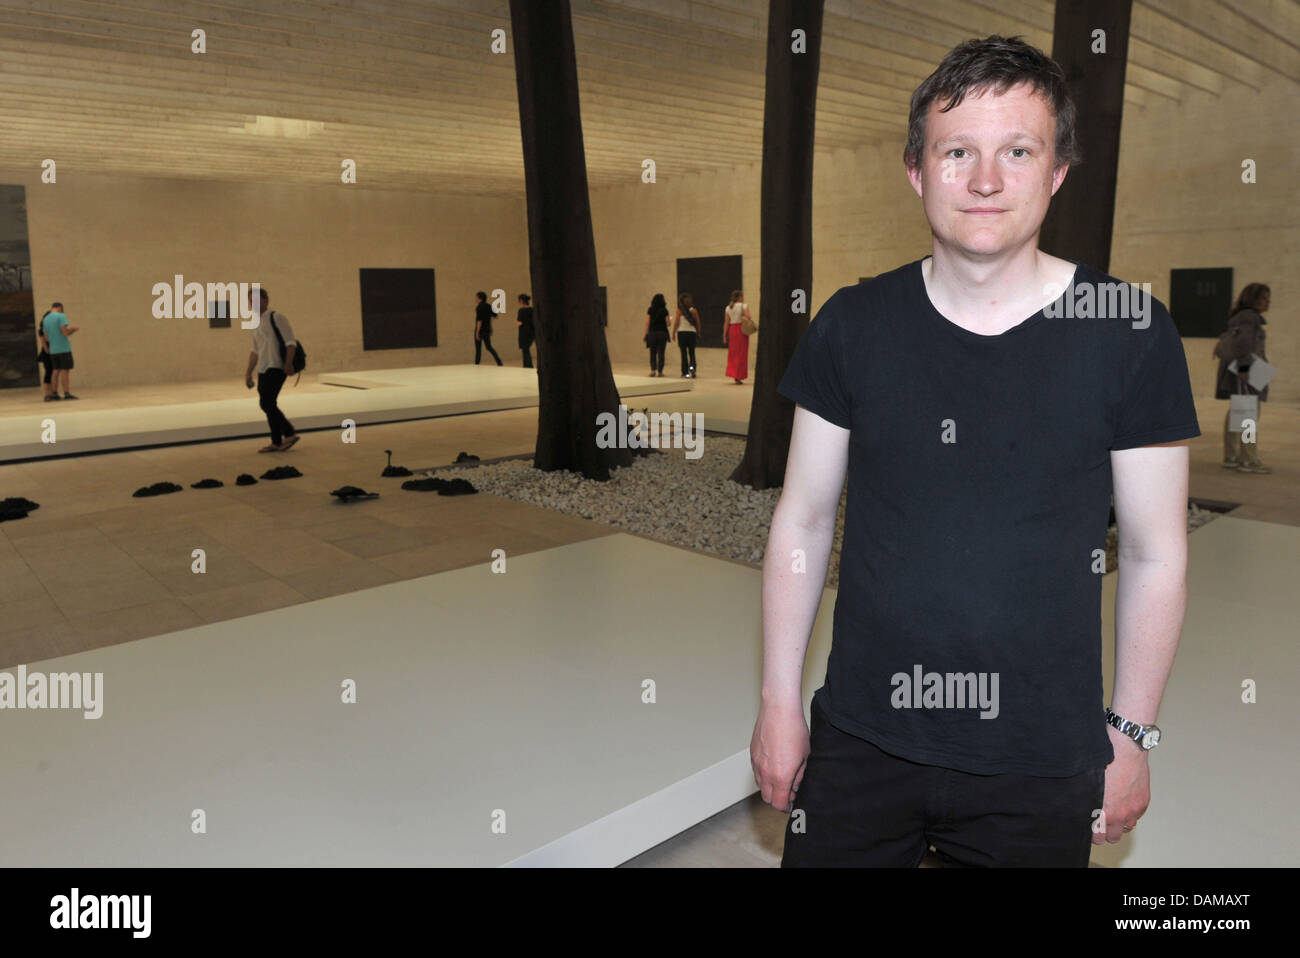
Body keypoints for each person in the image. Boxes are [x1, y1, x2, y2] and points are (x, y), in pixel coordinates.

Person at [755, 35, 1200, 868]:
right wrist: (780, 701)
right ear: (918, 171)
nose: (986, 180)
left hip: (1042, 758)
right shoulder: (852, 326)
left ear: (1058, 171)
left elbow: (1152, 552)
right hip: (861, 742)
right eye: (957, 151)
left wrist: (1131, 733)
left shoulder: (1132, 333)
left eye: (1017, 151)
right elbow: (805, 523)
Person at [1213, 283, 1271, 474]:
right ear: (1251, 299)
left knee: (1239, 411)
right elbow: (1243, 345)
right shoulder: (1249, 318)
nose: (1267, 302)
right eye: (1263, 298)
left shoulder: (1240, 317)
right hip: (1246, 370)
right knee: (1248, 414)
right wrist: (1245, 368)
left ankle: (1231, 456)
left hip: (1242, 369)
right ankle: (1247, 460)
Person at [243, 287, 299, 453]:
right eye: (251, 301)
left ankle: (289, 433)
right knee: (267, 404)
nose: (254, 304)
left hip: (277, 366)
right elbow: (255, 350)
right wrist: (248, 372)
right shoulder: (255, 322)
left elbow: (291, 342)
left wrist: (288, 364)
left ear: (266, 301)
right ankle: (276, 442)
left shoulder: (277, 317)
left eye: (257, 300)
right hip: (263, 368)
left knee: (266, 402)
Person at [41, 302, 79, 400]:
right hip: (63, 348)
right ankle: (66, 393)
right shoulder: (61, 316)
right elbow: (65, 332)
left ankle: (54, 393)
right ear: (59, 308)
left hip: (53, 349)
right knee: (65, 371)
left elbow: (46, 337)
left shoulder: (46, 319)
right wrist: (73, 329)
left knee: (55, 371)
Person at [723, 290, 752, 384]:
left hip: (732, 330)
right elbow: (749, 317)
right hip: (741, 330)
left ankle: (733, 373)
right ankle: (739, 375)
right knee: (742, 353)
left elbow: (726, 322)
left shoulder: (728, 308)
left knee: (733, 353)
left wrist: (724, 335)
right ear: (740, 297)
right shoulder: (744, 306)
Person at [672, 294, 700, 378]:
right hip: (692, 333)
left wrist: (673, 333)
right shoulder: (694, 311)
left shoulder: (680, 311)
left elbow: (677, 323)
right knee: (692, 353)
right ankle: (692, 369)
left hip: (682, 333)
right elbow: (698, 322)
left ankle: (685, 373)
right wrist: (699, 332)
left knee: (683, 354)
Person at [642, 293, 670, 376]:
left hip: (652, 333)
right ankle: (660, 372)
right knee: (661, 353)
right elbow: (668, 323)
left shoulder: (650, 309)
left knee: (652, 352)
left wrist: (645, 334)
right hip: (662, 333)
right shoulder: (665, 310)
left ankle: (653, 370)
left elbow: (647, 322)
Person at [474, 291, 503, 366]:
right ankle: (499, 361)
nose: (475, 299)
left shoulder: (479, 307)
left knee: (478, 348)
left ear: (480, 298)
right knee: (489, 347)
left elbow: (479, 321)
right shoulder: (489, 306)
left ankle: (477, 363)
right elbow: (496, 316)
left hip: (480, 330)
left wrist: (477, 332)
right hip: (487, 329)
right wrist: (489, 320)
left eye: (476, 297)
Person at [36, 307, 55, 400]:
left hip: (54, 351)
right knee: (48, 372)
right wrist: (48, 352)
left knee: (52, 372)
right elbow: (43, 342)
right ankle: (47, 394)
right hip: (47, 353)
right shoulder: (42, 329)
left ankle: (52, 392)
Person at [515, 293, 536, 368]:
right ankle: (529, 365)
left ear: (521, 301)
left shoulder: (521, 310)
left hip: (524, 332)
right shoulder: (532, 310)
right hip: (532, 332)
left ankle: (527, 365)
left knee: (525, 350)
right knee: (527, 349)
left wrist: (516, 322)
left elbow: (519, 322)